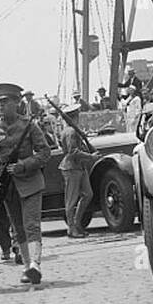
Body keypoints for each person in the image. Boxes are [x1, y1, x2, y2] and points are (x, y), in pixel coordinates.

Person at [0, 82, 52, 285]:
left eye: (5, 102)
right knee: (18, 228)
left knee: (32, 225)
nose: (0, 106)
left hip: (30, 182)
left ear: (17, 102)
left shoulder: (29, 125)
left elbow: (44, 152)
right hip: (8, 186)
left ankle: (35, 264)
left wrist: (23, 165)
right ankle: (26, 267)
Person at [59, 101, 97, 238]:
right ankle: (71, 228)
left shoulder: (73, 130)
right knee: (71, 200)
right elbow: (73, 151)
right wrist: (90, 157)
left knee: (88, 194)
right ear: (74, 117)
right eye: (77, 115)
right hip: (71, 167)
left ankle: (77, 223)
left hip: (79, 167)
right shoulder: (70, 132)